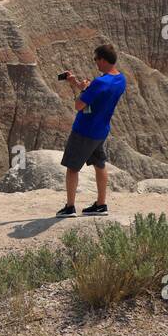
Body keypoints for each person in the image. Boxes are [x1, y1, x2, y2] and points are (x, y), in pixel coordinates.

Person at [56, 43, 127, 216]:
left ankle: (70, 207)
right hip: (101, 130)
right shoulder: (120, 79)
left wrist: (83, 91)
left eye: (96, 59)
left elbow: (79, 105)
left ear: (102, 60)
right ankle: (101, 204)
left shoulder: (99, 82)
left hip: (84, 130)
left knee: (72, 168)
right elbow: (98, 95)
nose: (95, 62)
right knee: (99, 164)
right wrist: (79, 85)